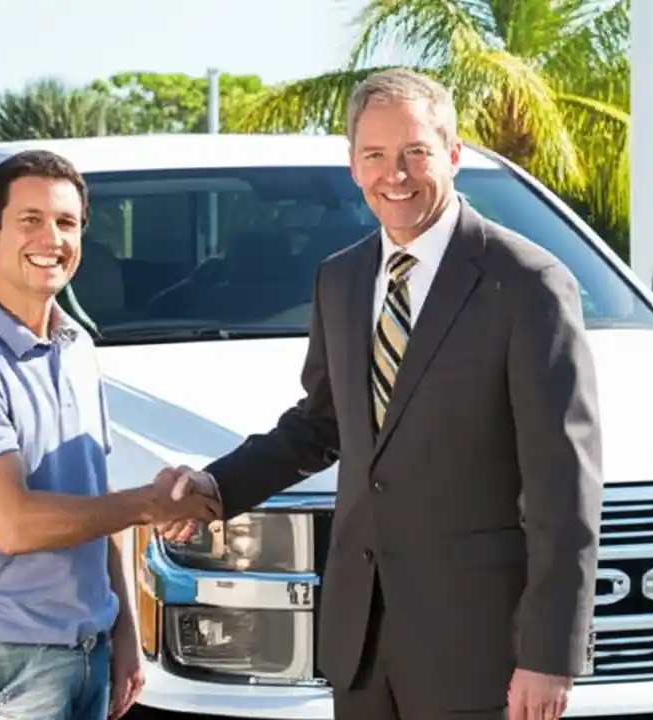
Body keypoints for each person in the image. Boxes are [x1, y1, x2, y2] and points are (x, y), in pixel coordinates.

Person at [157, 67, 603, 720]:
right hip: (361, 646)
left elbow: (564, 487)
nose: (395, 174)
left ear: (453, 154)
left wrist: (550, 653)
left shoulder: (528, 284)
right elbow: (319, 426)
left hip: (480, 654)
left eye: (415, 152)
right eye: (375, 156)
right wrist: (216, 488)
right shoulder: (341, 280)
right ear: (353, 165)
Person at [0, 149, 221, 720]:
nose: (51, 238)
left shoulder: (77, 347)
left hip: (89, 652)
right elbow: (15, 523)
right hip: (1, 664)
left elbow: (101, 506)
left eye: (67, 223)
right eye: (30, 220)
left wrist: (124, 631)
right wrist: (148, 504)